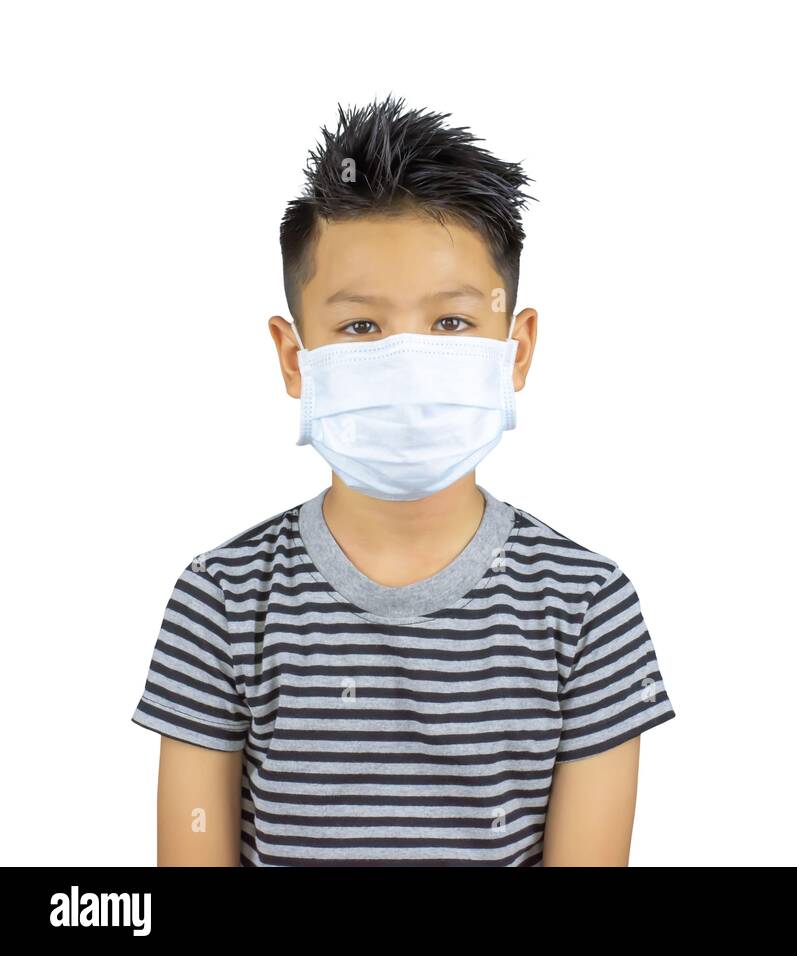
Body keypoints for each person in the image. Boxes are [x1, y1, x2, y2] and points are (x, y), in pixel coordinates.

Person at [130, 94, 677, 866]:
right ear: (296, 358)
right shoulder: (222, 598)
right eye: (361, 327)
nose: (409, 362)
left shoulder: (587, 607)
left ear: (515, 350)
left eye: (453, 322)